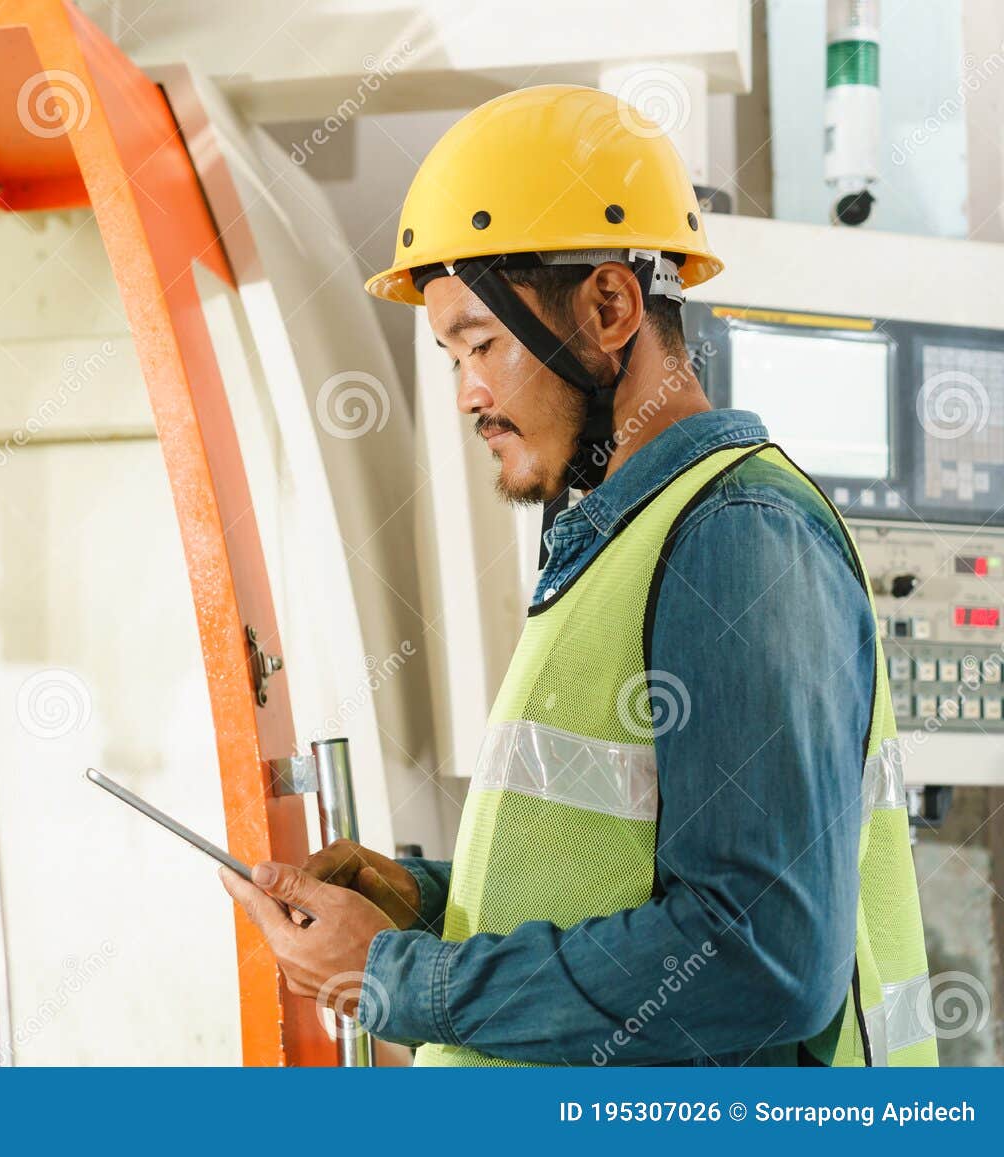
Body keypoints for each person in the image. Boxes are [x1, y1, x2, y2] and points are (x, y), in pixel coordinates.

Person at [219, 84, 935, 1067]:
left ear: (608, 307)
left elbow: (759, 957)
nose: (468, 393)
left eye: (480, 343)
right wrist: (424, 902)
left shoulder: (737, 537)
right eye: (450, 355)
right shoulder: (623, 538)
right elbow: (622, 883)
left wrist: (405, 978)